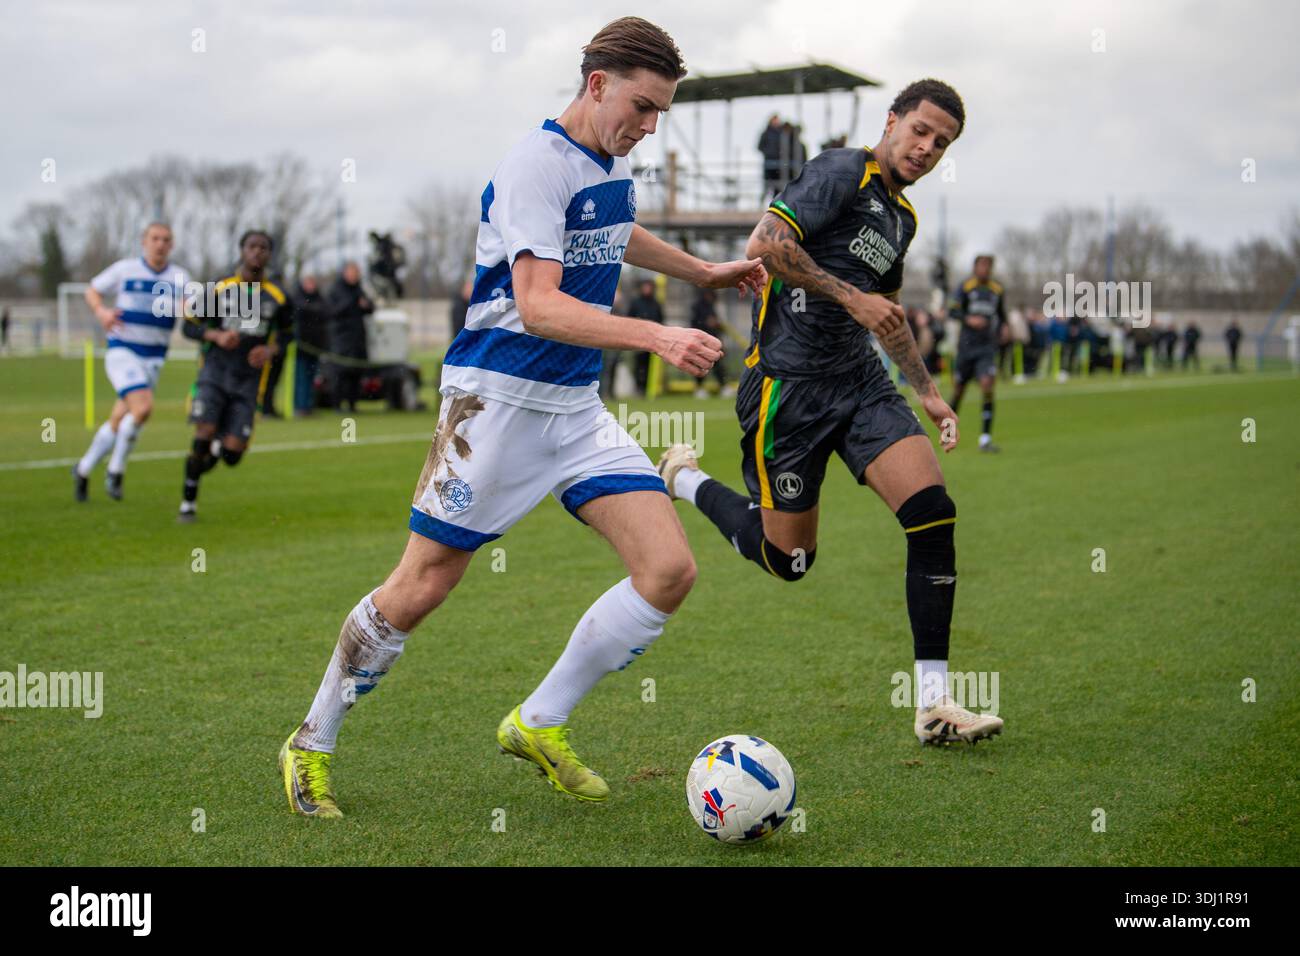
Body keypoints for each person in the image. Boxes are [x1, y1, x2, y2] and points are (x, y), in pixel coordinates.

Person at [278, 16, 766, 818]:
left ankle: (538, 722)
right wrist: (658, 333)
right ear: (596, 83)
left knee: (669, 571)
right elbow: (539, 307)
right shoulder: (534, 165)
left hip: (573, 409)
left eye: (661, 115)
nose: (648, 128)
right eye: (642, 108)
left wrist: (703, 271)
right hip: (493, 408)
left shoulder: (603, 162)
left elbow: (614, 230)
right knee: (422, 585)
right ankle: (311, 741)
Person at [658, 78, 1004, 748]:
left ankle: (934, 703)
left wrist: (927, 391)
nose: (928, 148)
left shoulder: (902, 219)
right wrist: (850, 297)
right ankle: (683, 479)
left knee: (933, 514)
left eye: (943, 142)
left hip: (861, 383)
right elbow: (764, 245)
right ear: (893, 121)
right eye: (921, 131)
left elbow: (889, 314)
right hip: (786, 392)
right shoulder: (843, 169)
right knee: (789, 561)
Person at [177, 230, 294, 522]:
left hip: (249, 382)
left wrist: (271, 350)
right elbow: (189, 326)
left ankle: (219, 448)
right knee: (202, 432)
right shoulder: (219, 288)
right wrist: (214, 335)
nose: (257, 252)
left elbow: (290, 334)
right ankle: (188, 503)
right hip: (214, 374)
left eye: (263, 248)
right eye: (252, 246)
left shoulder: (278, 297)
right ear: (242, 251)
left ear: (269, 254)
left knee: (232, 455)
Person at [73, 222, 192, 502]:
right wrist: (101, 312)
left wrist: (192, 309)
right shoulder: (125, 269)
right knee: (143, 408)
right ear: (144, 241)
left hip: (155, 357)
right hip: (123, 350)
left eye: (166, 239)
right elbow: (92, 290)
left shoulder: (179, 276)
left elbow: (190, 305)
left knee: (119, 419)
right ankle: (115, 471)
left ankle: (82, 469)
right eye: (155, 238)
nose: (160, 244)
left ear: (171, 245)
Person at [948, 254, 1006, 452]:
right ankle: (948, 434)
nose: (984, 270)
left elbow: (1002, 315)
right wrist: (969, 319)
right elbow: (952, 311)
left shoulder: (997, 289)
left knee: (987, 385)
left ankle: (985, 439)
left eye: (988, 266)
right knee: (958, 391)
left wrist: (1003, 330)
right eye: (981, 266)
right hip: (966, 346)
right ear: (975, 268)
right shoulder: (965, 287)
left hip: (986, 348)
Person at [326, 262, 373, 412]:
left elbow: (370, 307)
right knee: (340, 372)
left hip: (357, 338)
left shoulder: (359, 289)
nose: (354, 276)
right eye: (352, 272)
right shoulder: (336, 289)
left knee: (355, 372)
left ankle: (352, 404)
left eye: (356, 272)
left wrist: (366, 305)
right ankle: (337, 404)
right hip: (341, 338)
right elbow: (333, 311)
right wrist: (353, 302)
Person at [291, 275, 328, 416]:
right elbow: (300, 309)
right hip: (302, 345)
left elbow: (326, 311)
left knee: (312, 377)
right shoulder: (298, 298)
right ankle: (300, 406)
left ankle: (308, 405)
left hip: (316, 344)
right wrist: (313, 310)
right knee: (301, 377)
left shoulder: (319, 298)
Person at [689, 287, 730, 397]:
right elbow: (694, 324)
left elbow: (716, 325)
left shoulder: (712, 305)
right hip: (702, 341)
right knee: (701, 364)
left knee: (718, 364)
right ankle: (699, 388)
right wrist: (706, 323)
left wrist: (716, 326)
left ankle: (723, 386)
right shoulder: (697, 306)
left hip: (713, 341)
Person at [627, 278, 664, 395]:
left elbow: (660, 318)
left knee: (650, 365)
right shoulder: (636, 302)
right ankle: (640, 387)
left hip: (654, 339)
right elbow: (629, 318)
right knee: (639, 364)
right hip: (639, 338)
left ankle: (650, 388)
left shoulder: (656, 303)